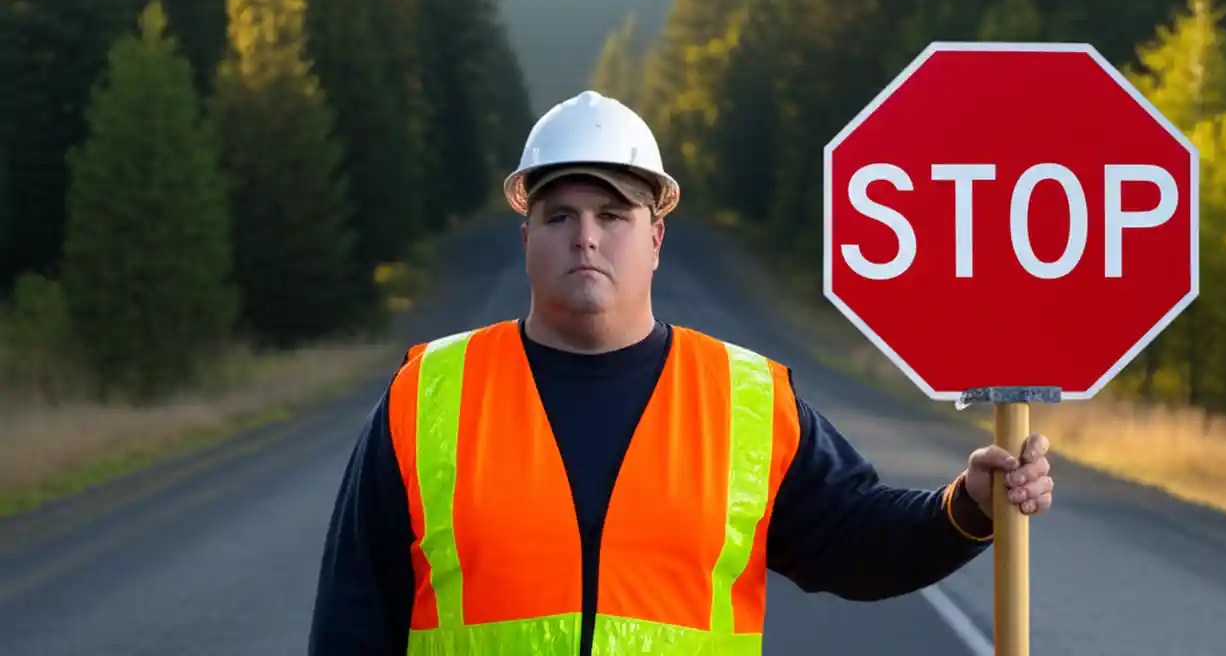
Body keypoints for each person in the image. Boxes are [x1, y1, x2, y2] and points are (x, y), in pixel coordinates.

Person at [307, 90, 1055, 656]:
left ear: (655, 236)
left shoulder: (748, 400)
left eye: (613, 214)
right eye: (560, 215)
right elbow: (352, 610)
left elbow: (855, 543)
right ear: (526, 234)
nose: (586, 238)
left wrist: (968, 508)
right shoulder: (431, 393)